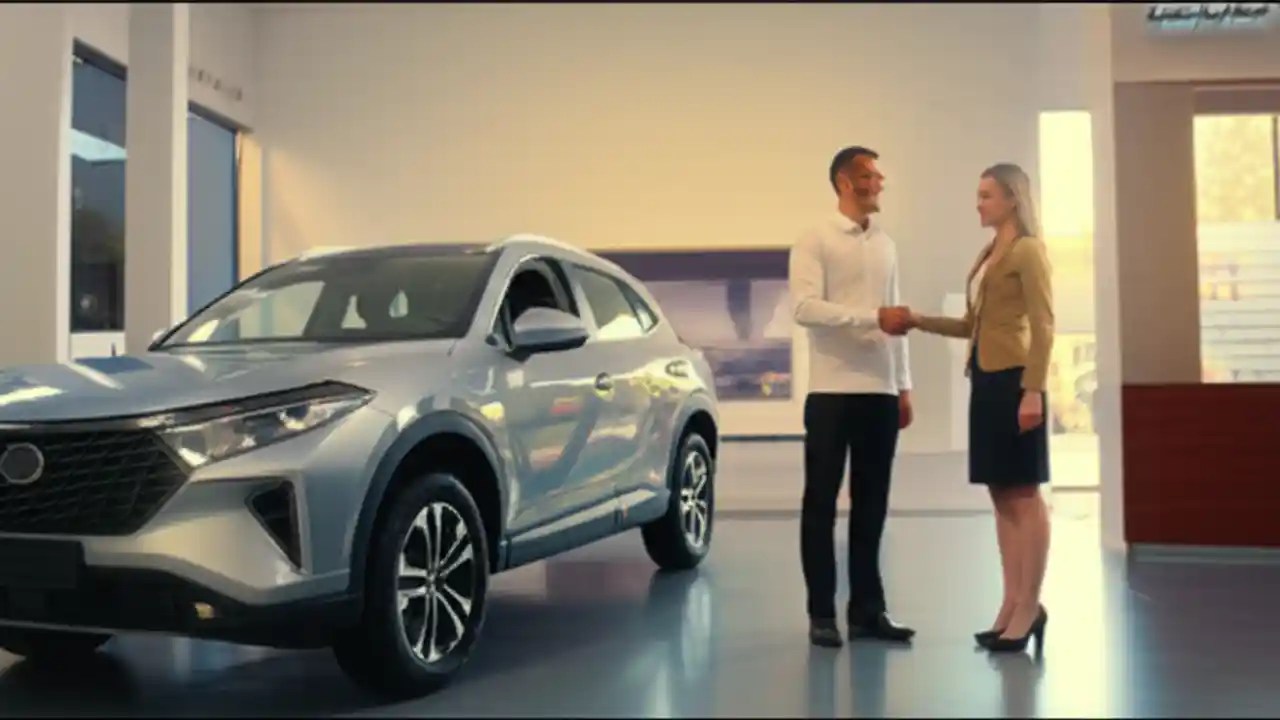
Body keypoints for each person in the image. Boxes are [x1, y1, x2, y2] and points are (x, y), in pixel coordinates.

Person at [881, 162, 1053, 654]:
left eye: (986, 195)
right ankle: (1012, 602)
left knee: (1024, 495)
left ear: (1012, 199)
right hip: (988, 382)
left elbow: (1043, 324)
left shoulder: (1028, 251)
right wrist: (917, 320)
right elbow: (971, 326)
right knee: (1001, 496)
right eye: (978, 195)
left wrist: (1034, 390)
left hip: (1018, 382)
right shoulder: (990, 253)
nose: (978, 204)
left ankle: (1029, 606)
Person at [789, 146, 915, 648]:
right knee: (820, 504)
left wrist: (902, 385)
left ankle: (867, 609)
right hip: (831, 393)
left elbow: (896, 316)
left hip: (880, 393)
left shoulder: (886, 243)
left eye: (879, 173)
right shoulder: (815, 238)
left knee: (873, 505)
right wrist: (868, 319)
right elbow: (804, 307)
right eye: (869, 174)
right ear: (845, 182)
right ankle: (822, 612)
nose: (879, 181)